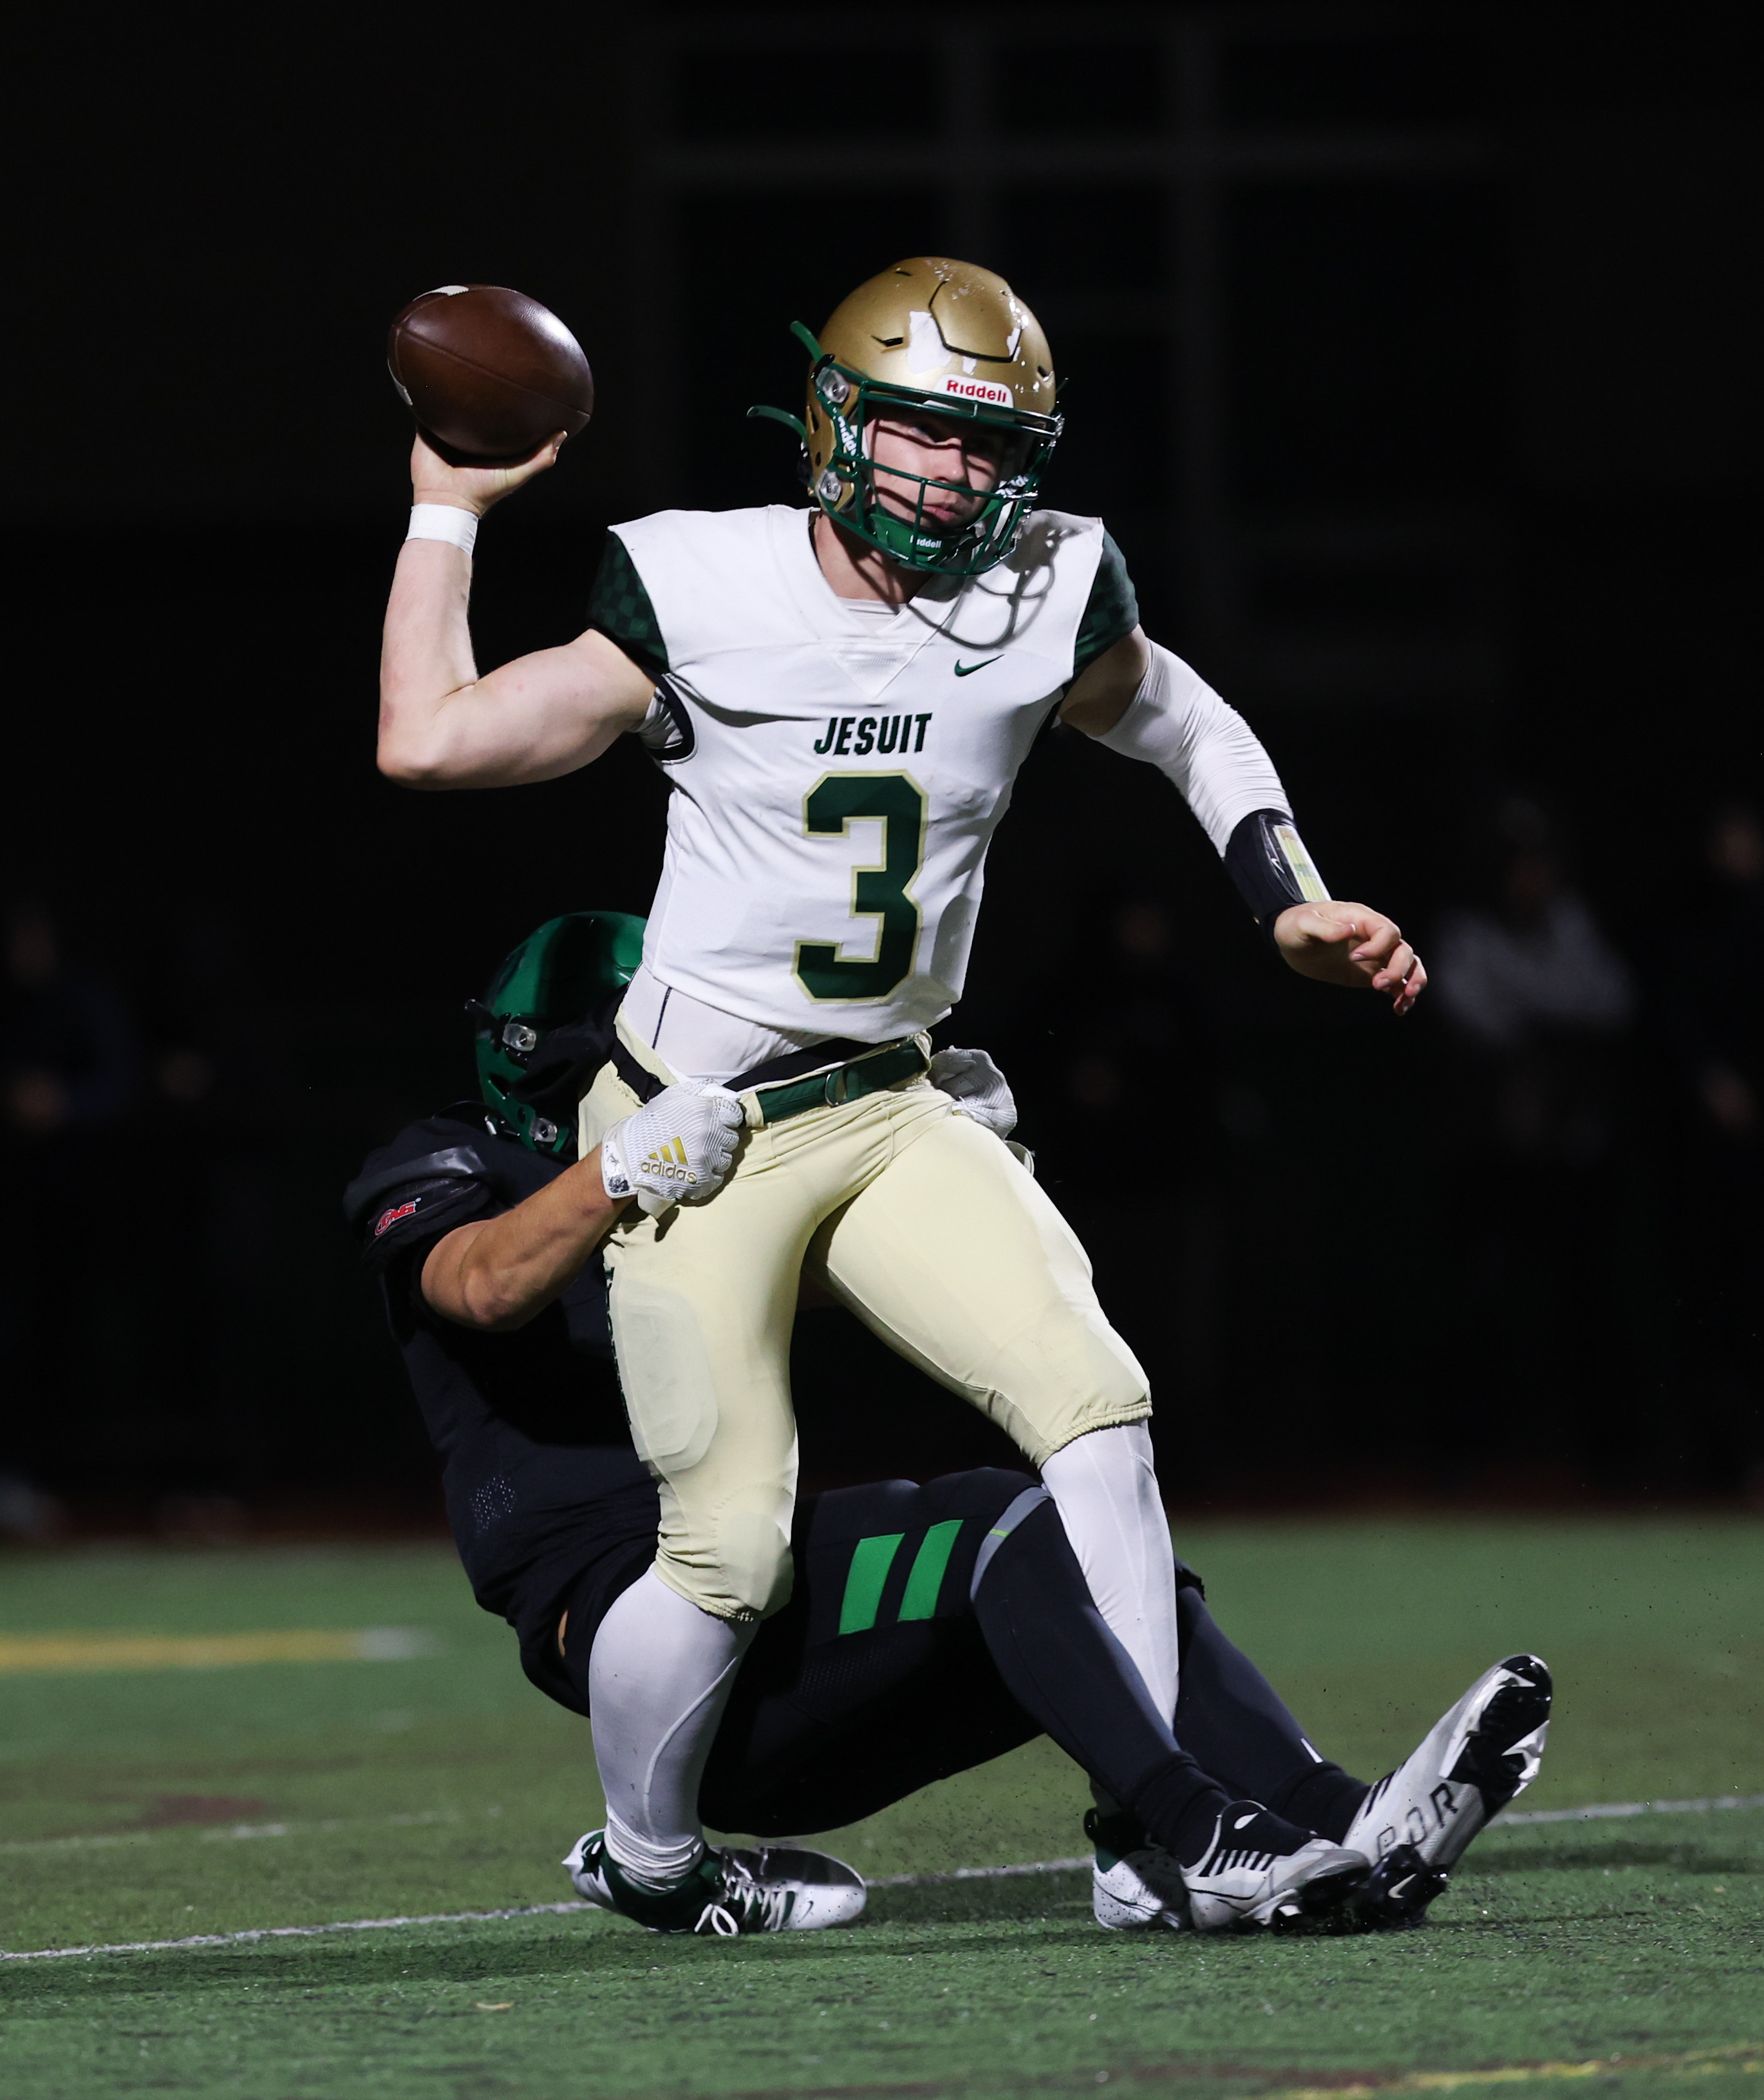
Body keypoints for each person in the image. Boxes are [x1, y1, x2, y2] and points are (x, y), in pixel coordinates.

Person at [376, 257, 1429, 1921]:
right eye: (922, 434)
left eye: (985, 445)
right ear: (833, 422)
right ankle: (649, 1856)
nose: (951, 477)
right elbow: (426, 740)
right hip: (698, 1126)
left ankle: (1156, 1829)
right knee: (727, 1547)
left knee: (1096, 1409)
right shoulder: (700, 587)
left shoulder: (1045, 586)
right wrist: (446, 507)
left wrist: (1281, 892)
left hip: (890, 1101)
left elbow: (1184, 720)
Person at [346, 916, 1545, 1938]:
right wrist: (619, 1168)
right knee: (989, 1522)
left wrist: (923, 1152)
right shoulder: (447, 1160)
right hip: (639, 1639)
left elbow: (818, 1263)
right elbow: (483, 1284)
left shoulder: (684, 1145)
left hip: (791, 1668)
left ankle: (1332, 1818)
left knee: (1095, 1556)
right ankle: (1189, 1833)